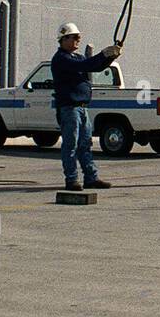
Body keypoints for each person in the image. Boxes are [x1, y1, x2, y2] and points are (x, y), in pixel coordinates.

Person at [52, 23, 122, 191]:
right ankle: (71, 179)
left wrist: (110, 57)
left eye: (78, 37)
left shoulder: (76, 57)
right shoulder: (62, 58)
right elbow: (85, 66)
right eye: (74, 37)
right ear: (64, 39)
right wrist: (104, 53)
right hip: (70, 108)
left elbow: (95, 66)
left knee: (85, 144)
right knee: (71, 145)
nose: (78, 40)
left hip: (82, 107)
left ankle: (91, 177)